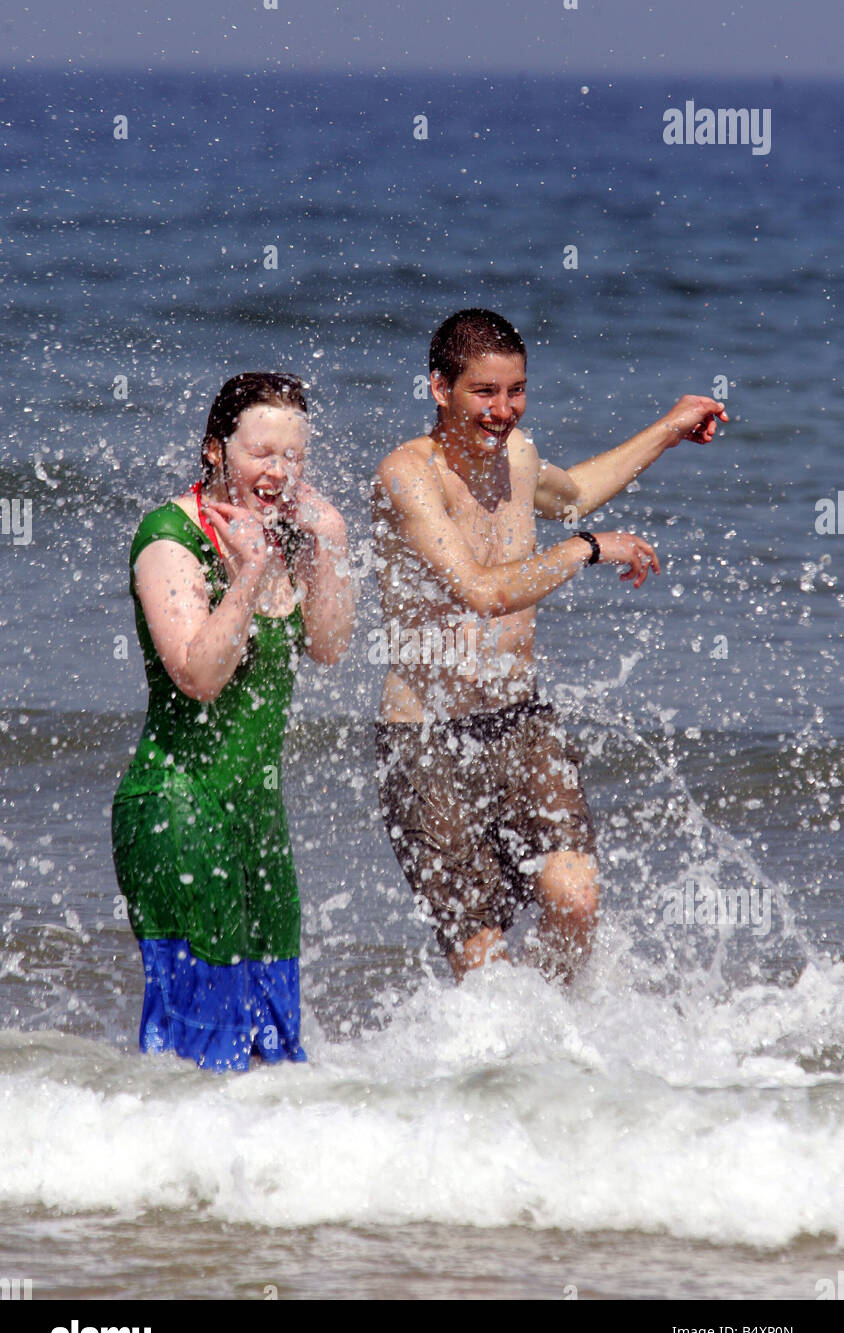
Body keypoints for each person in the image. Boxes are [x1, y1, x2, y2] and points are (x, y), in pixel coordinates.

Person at [372, 309, 728, 983]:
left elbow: (577, 495)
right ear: (440, 389)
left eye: (516, 391)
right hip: (426, 741)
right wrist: (584, 551)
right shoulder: (407, 476)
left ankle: (561, 1051)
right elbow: (479, 591)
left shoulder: (520, 456)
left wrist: (669, 428)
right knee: (485, 971)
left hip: (521, 721)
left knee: (576, 899)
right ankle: (500, 1065)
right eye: (485, 392)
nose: (503, 409)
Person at [112, 372, 354, 1069]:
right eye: (261, 454)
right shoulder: (169, 537)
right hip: (177, 811)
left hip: (258, 821)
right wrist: (247, 575)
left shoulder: (291, 534)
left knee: (276, 1050)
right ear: (215, 450)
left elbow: (330, 646)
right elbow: (199, 676)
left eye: (294, 458)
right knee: (199, 1057)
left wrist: (330, 540)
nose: (279, 473)